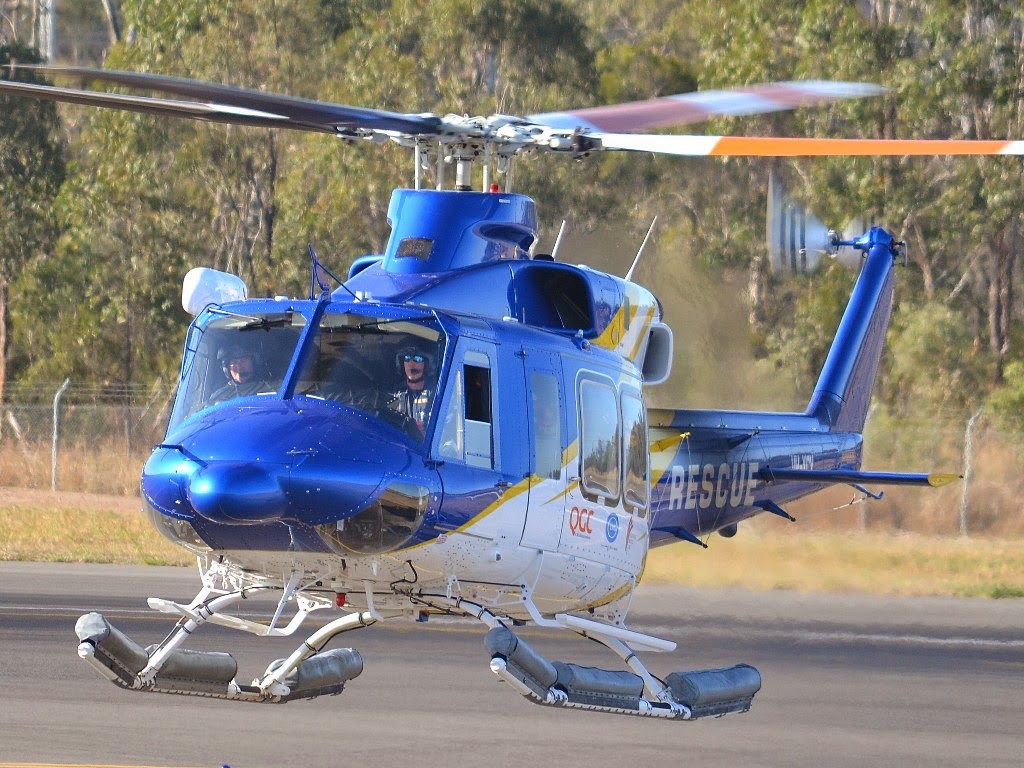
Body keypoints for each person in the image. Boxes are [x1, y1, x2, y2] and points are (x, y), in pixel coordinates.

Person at [388, 346, 435, 436]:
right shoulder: (395, 394)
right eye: (407, 358)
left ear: (426, 365)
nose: (411, 364)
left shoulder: (436, 395)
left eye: (417, 359)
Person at [208, 346, 273, 404]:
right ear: (227, 369)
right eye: (234, 362)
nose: (239, 366)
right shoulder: (217, 397)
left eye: (243, 361)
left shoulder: (272, 389)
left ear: (253, 364)